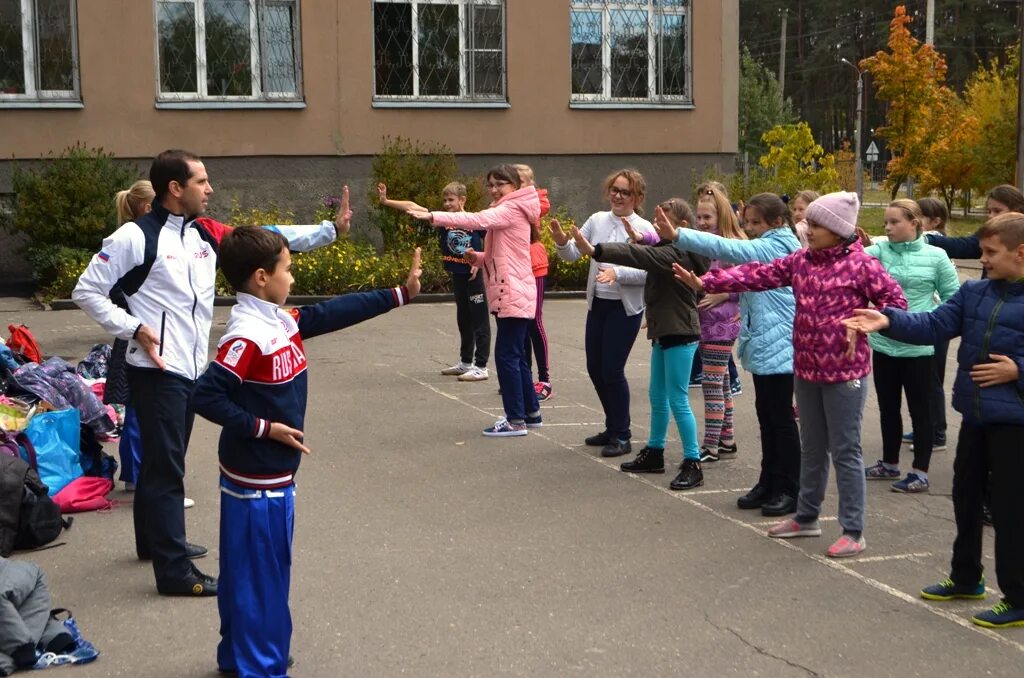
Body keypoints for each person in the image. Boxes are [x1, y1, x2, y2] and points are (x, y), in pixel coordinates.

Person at [72, 149, 348, 597]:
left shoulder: (202, 234)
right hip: (157, 368)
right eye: (201, 181)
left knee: (165, 462)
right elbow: (86, 290)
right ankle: (175, 571)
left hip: (189, 366)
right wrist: (133, 328)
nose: (210, 188)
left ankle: (156, 542)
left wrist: (329, 230)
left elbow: (264, 238)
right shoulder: (133, 237)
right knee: (166, 469)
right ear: (175, 188)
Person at [192, 227, 421, 676]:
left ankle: (247, 652)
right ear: (261, 277)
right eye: (288, 269)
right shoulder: (249, 335)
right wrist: (264, 428)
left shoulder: (276, 320)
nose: (292, 278)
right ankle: (261, 665)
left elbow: (330, 313)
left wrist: (400, 293)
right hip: (257, 481)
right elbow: (205, 396)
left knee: (255, 571)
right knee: (262, 575)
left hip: (268, 475)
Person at [675, 192, 907, 557]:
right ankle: (806, 516)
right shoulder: (801, 261)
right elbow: (758, 274)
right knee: (812, 447)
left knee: (845, 450)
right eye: (809, 223)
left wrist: (874, 321)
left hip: (845, 372)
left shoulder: (863, 266)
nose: (808, 230)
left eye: (816, 225)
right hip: (806, 368)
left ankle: (853, 529)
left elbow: (895, 302)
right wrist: (709, 282)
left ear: (836, 229)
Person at [843, 211, 1024, 628]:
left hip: (1015, 423)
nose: (984, 259)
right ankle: (966, 578)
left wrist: (1017, 371)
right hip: (977, 415)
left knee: (1011, 509)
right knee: (966, 497)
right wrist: (888, 319)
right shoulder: (976, 292)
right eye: (981, 251)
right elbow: (934, 323)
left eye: (991, 252)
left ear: (1020, 253)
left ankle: (1017, 595)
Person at [666, 192, 802, 516]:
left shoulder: (779, 245)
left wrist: (680, 235)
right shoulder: (766, 246)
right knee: (767, 416)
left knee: (781, 420)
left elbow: (732, 250)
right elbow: (742, 277)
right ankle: (768, 481)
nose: (750, 228)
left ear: (778, 222)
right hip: (766, 343)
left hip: (782, 344)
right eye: (748, 221)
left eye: (757, 223)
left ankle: (790, 488)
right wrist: (703, 282)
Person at [573, 198, 710, 489]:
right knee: (657, 396)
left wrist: (597, 250)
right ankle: (655, 451)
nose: (658, 225)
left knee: (677, 399)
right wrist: (642, 237)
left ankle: (692, 461)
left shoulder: (678, 253)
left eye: (664, 221)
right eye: (658, 221)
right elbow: (648, 246)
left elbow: (640, 257)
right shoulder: (667, 246)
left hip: (681, 333)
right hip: (665, 331)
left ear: (683, 227)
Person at [409, 165, 542, 437]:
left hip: (512, 291)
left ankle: (515, 420)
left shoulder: (510, 208)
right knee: (516, 356)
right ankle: (530, 413)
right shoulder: (513, 207)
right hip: (513, 288)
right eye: (490, 184)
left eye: (500, 184)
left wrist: (434, 215)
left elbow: (477, 219)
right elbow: (509, 254)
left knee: (507, 356)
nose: (494, 189)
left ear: (514, 186)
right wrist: (479, 258)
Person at [548, 169, 655, 457]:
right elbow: (574, 252)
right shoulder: (597, 220)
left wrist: (617, 274)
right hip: (599, 305)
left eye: (625, 192)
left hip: (625, 309)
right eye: (615, 190)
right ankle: (612, 426)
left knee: (612, 369)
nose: (618, 196)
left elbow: (650, 270)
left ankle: (622, 434)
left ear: (638, 197)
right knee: (595, 368)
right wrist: (560, 241)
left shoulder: (644, 228)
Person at [863, 200, 960, 493]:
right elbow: (849, 264)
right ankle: (890, 463)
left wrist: (930, 323)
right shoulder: (878, 252)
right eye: (885, 223)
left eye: (894, 222)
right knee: (887, 407)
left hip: (920, 347)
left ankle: (920, 472)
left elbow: (953, 298)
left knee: (922, 411)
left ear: (915, 222)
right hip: (884, 343)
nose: (888, 228)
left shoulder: (937, 256)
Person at [377, 182, 491, 382]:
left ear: (462, 200)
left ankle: (481, 366)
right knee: (463, 319)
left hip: (474, 276)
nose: (447, 204)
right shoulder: (442, 219)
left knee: (479, 321)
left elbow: (492, 239)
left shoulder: (473, 220)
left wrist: (480, 260)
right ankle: (465, 362)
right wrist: (386, 201)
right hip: (457, 274)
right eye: (444, 200)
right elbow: (412, 206)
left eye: (451, 200)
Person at [687, 186, 745, 463]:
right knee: (720, 382)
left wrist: (725, 293)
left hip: (722, 323)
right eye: (699, 217)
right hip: (707, 322)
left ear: (721, 215)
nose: (701, 222)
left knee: (711, 384)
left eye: (707, 217)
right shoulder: (704, 243)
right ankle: (727, 438)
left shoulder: (731, 244)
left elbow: (751, 279)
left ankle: (710, 445)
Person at [512, 165, 553, 401]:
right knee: (520, 322)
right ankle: (523, 376)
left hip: (534, 267)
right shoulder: (507, 204)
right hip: (515, 267)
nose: (517, 186)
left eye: (522, 182)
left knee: (534, 321)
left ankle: (545, 379)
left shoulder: (535, 202)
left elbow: (539, 208)